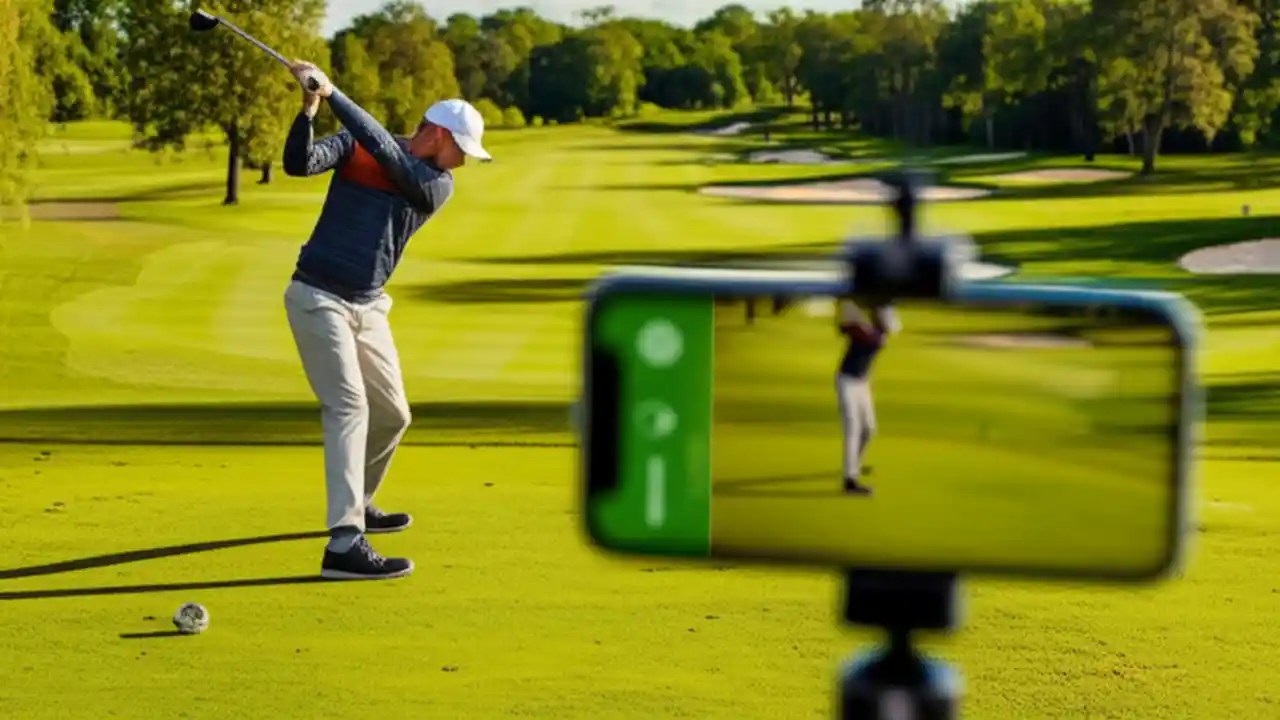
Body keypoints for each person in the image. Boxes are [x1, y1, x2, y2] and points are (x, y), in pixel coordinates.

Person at [280, 60, 492, 580]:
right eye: (461, 149)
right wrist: (309, 110)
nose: (462, 161)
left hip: (369, 306)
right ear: (439, 134)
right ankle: (344, 544)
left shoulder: (433, 182)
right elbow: (298, 163)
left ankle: (361, 500)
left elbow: (389, 154)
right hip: (318, 296)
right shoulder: (357, 147)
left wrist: (335, 93)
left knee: (394, 414)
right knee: (350, 405)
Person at [835, 297, 898, 495]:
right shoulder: (863, 327)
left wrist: (854, 316)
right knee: (852, 427)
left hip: (862, 382)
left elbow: (870, 333)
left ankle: (855, 464)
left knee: (869, 429)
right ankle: (850, 480)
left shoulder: (876, 333)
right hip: (846, 380)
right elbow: (843, 327)